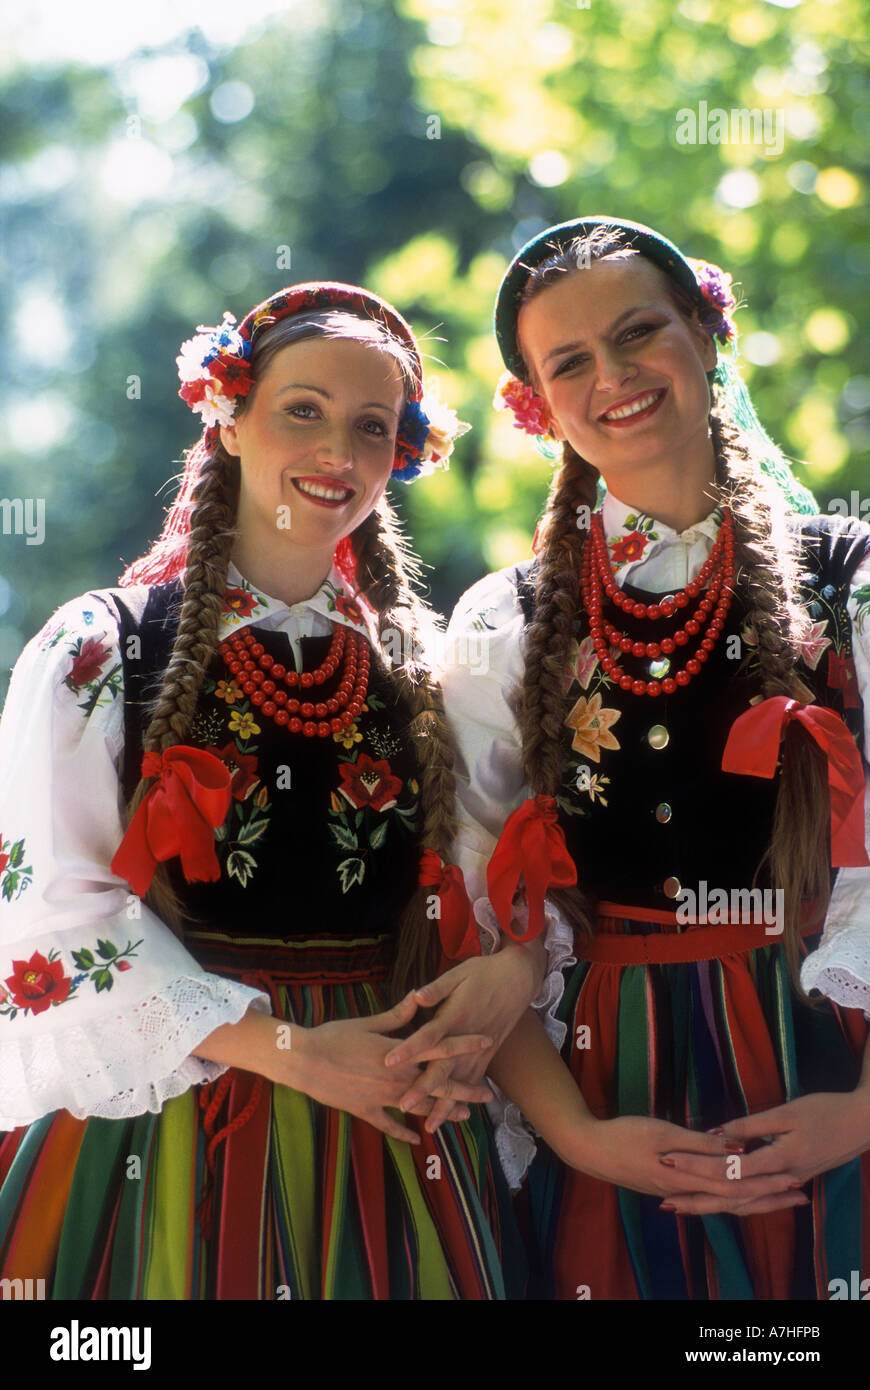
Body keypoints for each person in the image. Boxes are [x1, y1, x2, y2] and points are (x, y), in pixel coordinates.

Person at [0, 281, 529, 1300]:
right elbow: (57, 917)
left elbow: (481, 895)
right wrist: (296, 1053)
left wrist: (489, 991)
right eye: (303, 408)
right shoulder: (99, 647)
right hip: (167, 1115)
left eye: (372, 425)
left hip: (385, 1101)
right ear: (228, 417)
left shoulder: (429, 670)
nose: (338, 448)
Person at [435, 216, 870, 1299]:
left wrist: (859, 1117)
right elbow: (473, 915)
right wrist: (580, 1138)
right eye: (568, 362)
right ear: (535, 404)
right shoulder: (507, 621)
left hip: (835, 1062)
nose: (613, 377)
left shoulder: (852, 581)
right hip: (613, 1082)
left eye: (639, 333)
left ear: (706, 336)